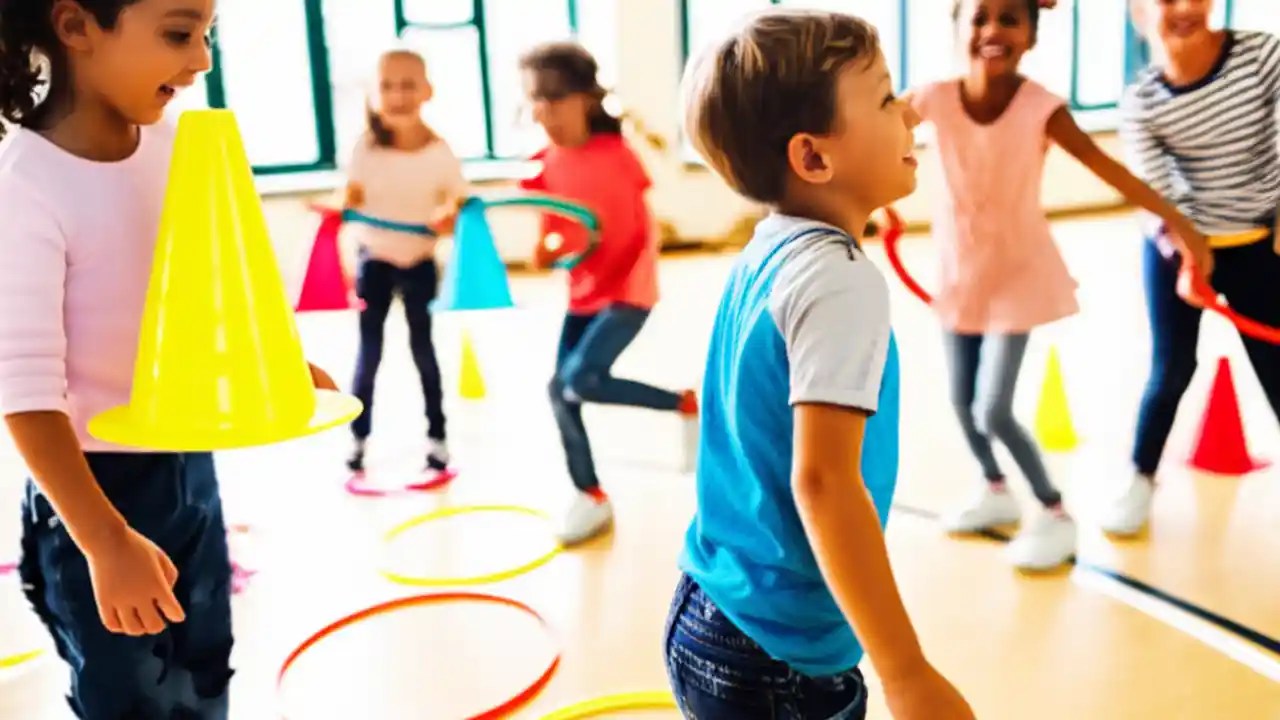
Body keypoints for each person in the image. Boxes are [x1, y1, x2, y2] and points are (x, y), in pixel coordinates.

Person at [0, 0, 332, 716]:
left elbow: (210, 291)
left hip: (188, 464)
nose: (203, 59)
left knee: (205, 665)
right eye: (179, 34)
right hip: (93, 489)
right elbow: (24, 391)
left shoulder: (177, 146)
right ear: (77, 27)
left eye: (207, 35)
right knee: (127, 693)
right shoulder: (25, 184)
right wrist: (104, 540)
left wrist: (277, 366)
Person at [668, 9, 975, 719]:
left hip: (709, 606)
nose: (910, 114)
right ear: (813, 158)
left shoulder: (768, 247)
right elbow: (824, 482)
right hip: (781, 653)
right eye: (885, 98)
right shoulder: (840, 281)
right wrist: (905, 672)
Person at [906, 0, 1211, 569]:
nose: (993, 30)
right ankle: (995, 490)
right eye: (979, 18)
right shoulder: (931, 99)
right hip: (958, 273)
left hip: (1017, 274)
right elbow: (869, 134)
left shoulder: (1040, 108)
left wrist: (1183, 224)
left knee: (992, 409)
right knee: (960, 402)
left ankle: (1053, 510)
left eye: (1009, 19)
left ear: (1032, 36)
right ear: (956, 30)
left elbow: (1110, 169)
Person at [1108, 0, 1280, 535]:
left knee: (1276, 365)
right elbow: (1155, 194)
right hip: (1181, 246)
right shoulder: (1141, 102)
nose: (1184, 8)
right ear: (1139, 13)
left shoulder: (1261, 56)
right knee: (1172, 369)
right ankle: (1140, 480)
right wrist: (1186, 254)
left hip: (1259, 242)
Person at [517, 41, 698, 546]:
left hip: (628, 291)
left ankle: (681, 403)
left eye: (555, 97)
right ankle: (590, 493)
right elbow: (554, 233)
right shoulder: (542, 164)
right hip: (584, 293)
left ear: (587, 99)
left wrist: (600, 263)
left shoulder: (616, 157)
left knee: (580, 379)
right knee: (561, 390)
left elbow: (636, 234)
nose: (543, 111)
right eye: (536, 99)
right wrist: (548, 253)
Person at [342, 48, 467, 476]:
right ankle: (358, 439)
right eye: (387, 86)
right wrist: (340, 207)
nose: (398, 95)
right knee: (369, 352)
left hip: (418, 263)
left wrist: (450, 218)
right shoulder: (365, 147)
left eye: (408, 85)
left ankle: (438, 438)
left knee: (423, 351)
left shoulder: (440, 152)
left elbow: (456, 206)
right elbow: (353, 199)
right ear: (375, 93)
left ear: (427, 90)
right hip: (374, 260)